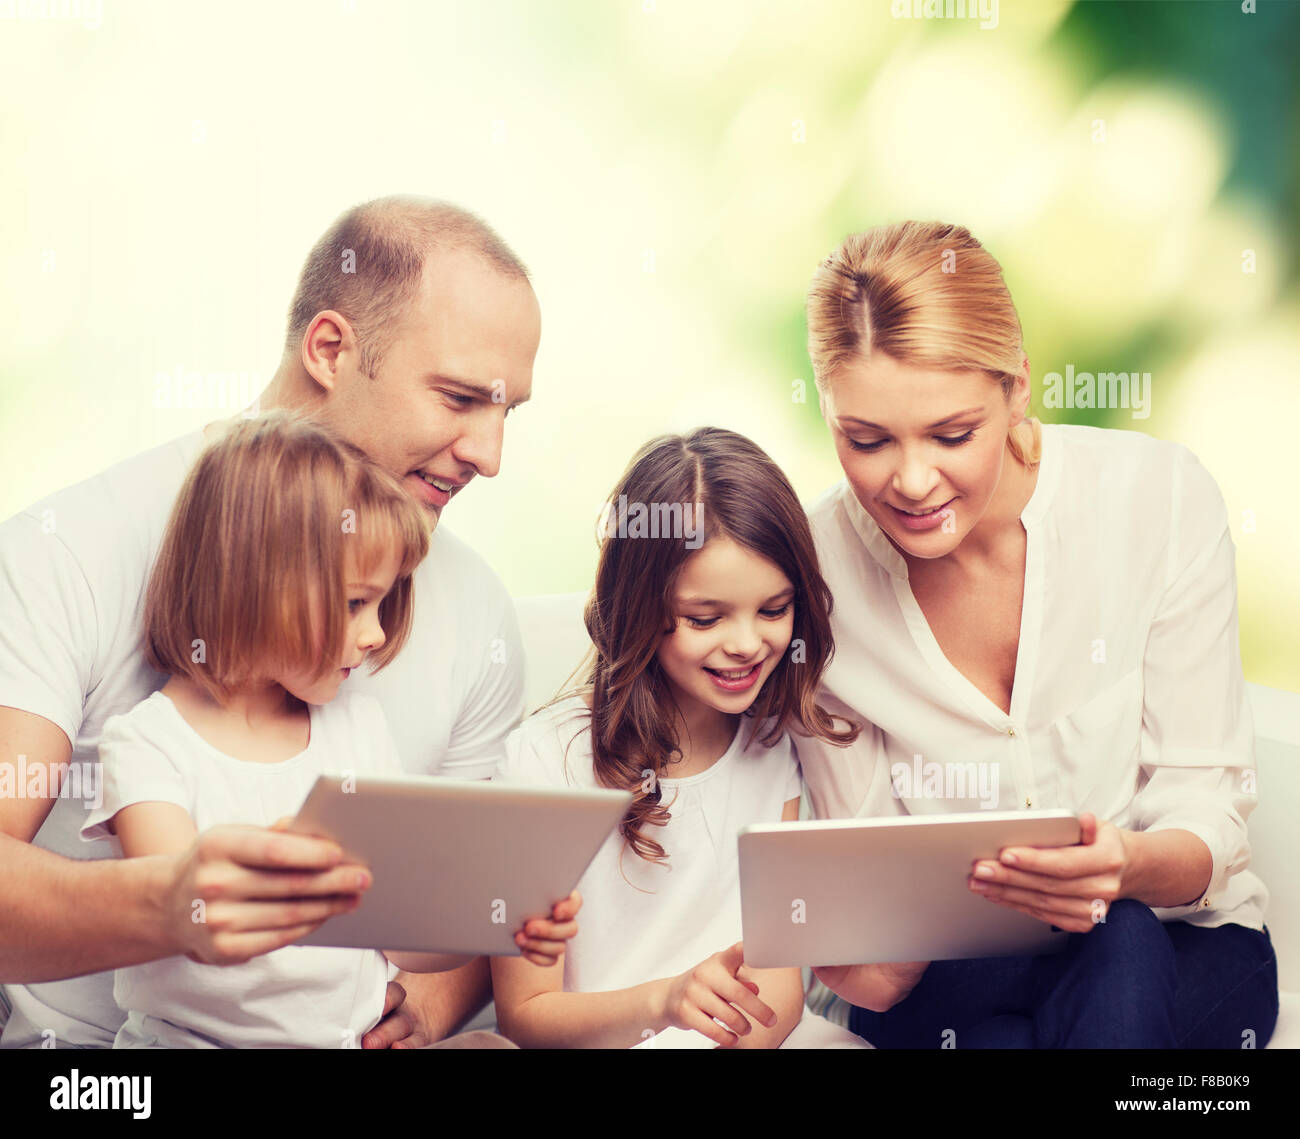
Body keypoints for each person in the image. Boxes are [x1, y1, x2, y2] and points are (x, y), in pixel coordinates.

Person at [0, 196, 556, 1049]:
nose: (490, 454)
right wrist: (174, 900)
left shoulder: (474, 613)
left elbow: (447, 910)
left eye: (507, 411)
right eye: (457, 399)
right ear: (330, 349)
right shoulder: (69, 551)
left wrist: (427, 1006)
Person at [795, 220, 1279, 1047]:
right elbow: (868, 916)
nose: (911, 482)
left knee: (1114, 936)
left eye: (952, 434)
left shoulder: (1157, 502)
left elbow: (1210, 818)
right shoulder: (817, 578)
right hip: (958, 969)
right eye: (866, 440)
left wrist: (1123, 865)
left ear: (1019, 386)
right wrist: (851, 940)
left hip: (1178, 939)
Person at [76, 412, 576, 1047]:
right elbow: (192, 921)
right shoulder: (148, 745)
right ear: (253, 586)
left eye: (382, 602)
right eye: (353, 604)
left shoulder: (358, 728)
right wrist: (305, 877)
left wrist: (496, 923)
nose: (375, 635)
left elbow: (407, 942)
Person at [490, 427, 868, 1048]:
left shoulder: (774, 747)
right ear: (640, 606)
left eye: (773, 610)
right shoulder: (542, 764)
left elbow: (777, 993)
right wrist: (665, 1002)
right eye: (705, 618)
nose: (747, 643)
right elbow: (527, 1012)